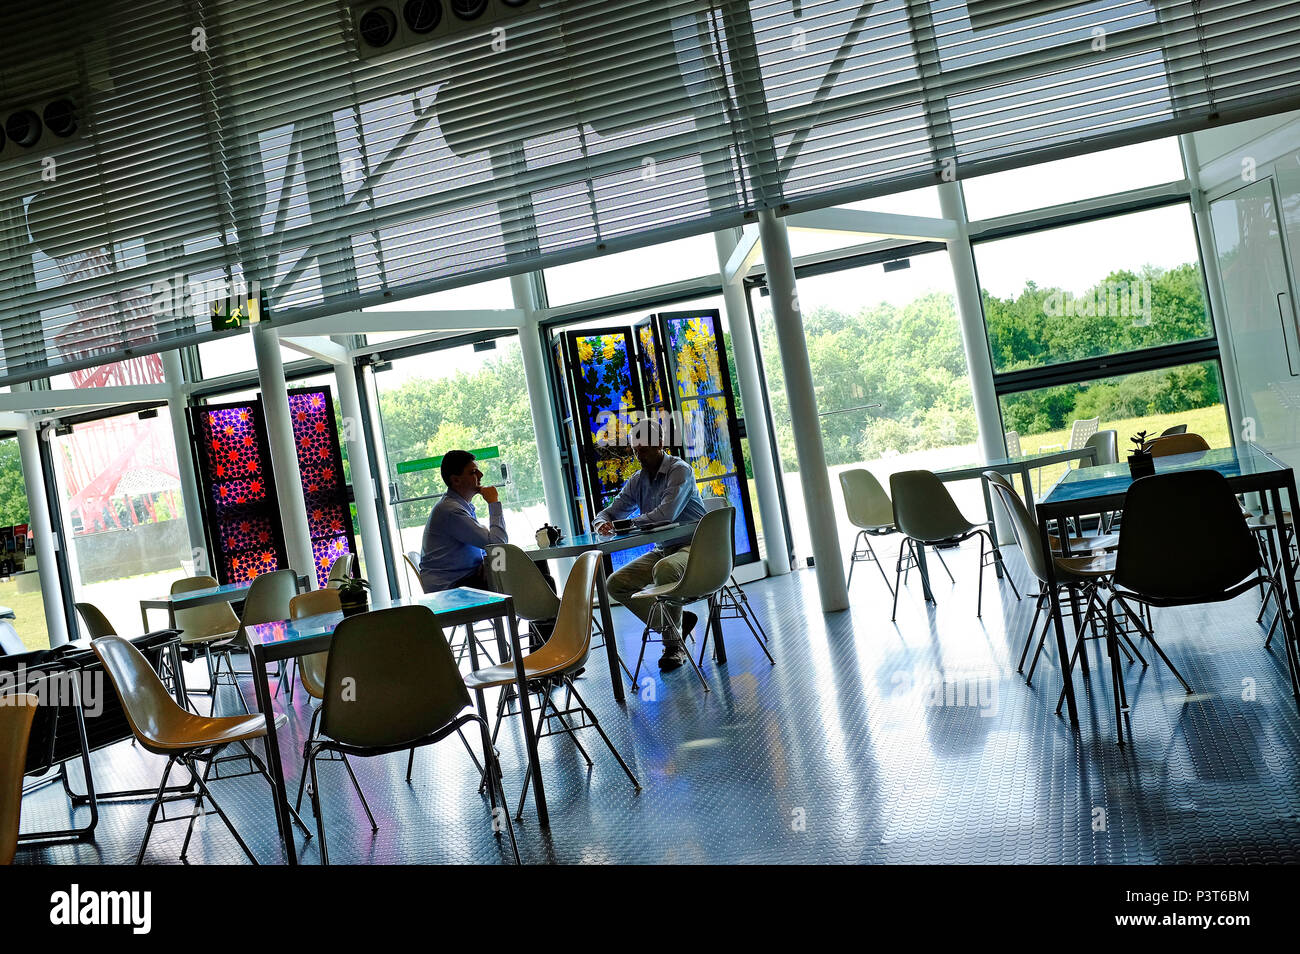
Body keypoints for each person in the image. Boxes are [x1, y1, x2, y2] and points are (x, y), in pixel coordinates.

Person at [596, 428, 706, 671]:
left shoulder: (680, 471)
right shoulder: (638, 480)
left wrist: (626, 523)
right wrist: (601, 522)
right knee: (615, 584)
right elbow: (610, 511)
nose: (639, 456)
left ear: (660, 444)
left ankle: (673, 646)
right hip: (665, 550)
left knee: (664, 569)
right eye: (635, 451)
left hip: (696, 548)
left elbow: (667, 514)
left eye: (644, 450)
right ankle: (675, 625)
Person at [418, 449, 507, 593]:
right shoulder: (451, 511)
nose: (481, 475)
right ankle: (540, 611)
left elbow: (490, 545)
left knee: (526, 567)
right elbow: (498, 543)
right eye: (473, 472)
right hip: (453, 589)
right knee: (528, 570)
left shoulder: (457, 506)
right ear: (456, 480)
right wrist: (493, 503)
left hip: (463, 579)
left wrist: (487, 561)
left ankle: (527, 608)